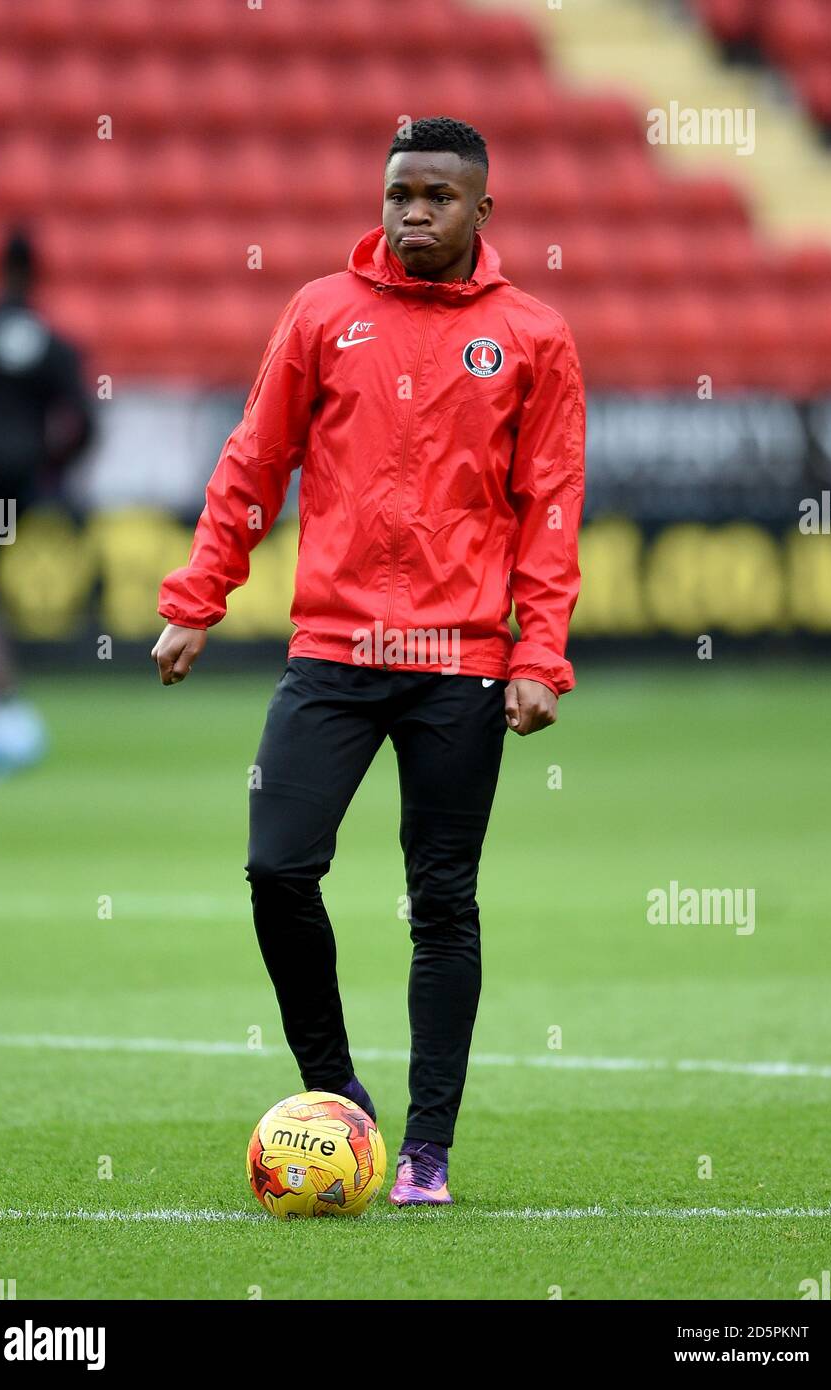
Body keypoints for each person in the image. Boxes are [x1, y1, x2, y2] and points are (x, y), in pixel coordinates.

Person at [153, 118, 586, 1206]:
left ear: (482, 209)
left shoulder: (533, 338)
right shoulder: (319, 313)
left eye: (437, 195)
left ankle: (426, 1152)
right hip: (333, 652)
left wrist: (539, 651)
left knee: (440, 904)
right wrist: (197, 598)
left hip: (462, 663)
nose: (411, 213)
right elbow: (254, 459)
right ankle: (336, 1095)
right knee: (275, 868)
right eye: (398, 193)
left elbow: (550, 509)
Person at [0, 229, 93, 771]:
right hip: (21, 490)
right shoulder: (52, 343)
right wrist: (49, 471)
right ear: (36, 273)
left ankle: (2, 703)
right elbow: (83, 422)